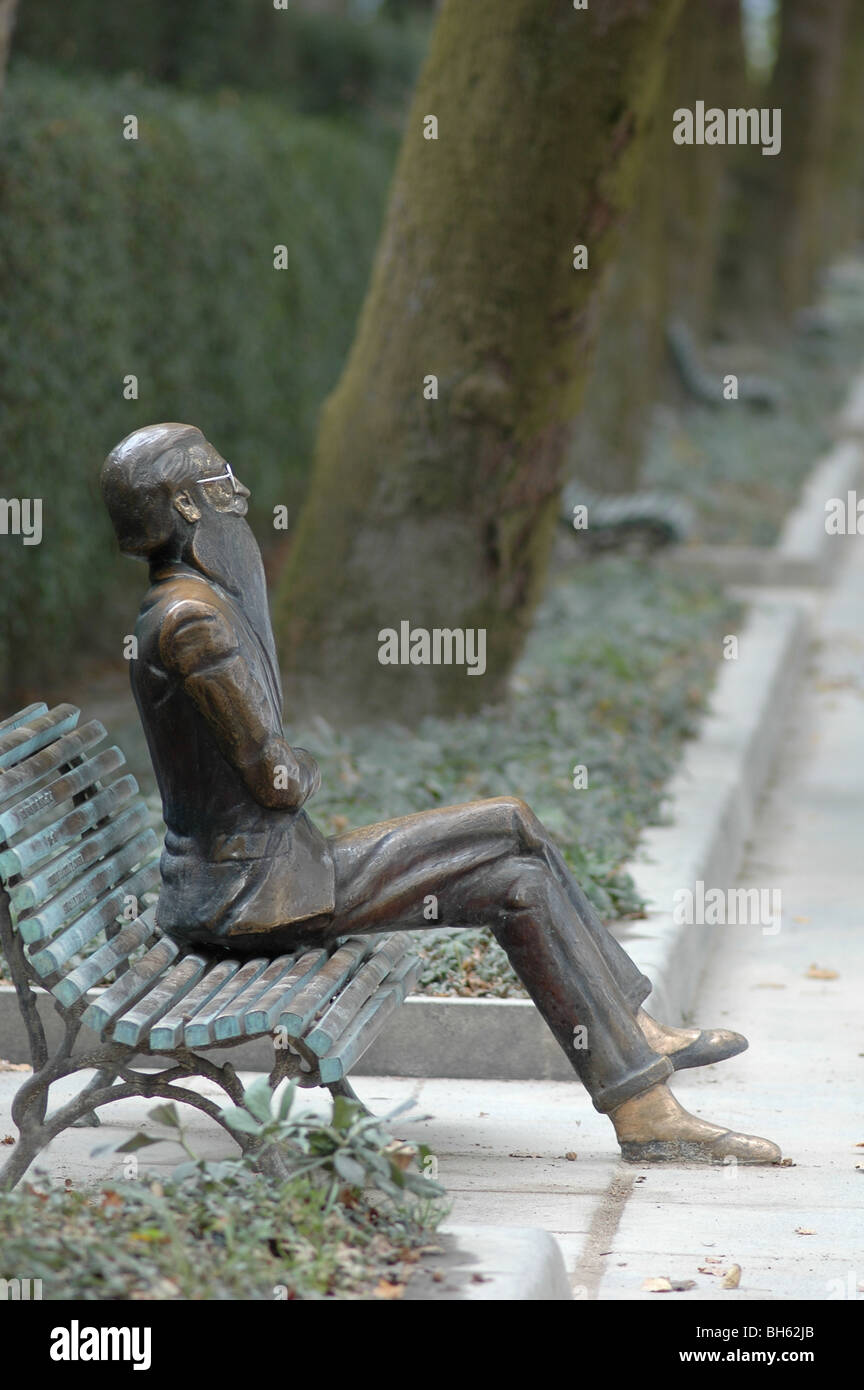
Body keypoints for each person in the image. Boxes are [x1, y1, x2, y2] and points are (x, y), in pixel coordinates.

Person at [101, 423, 782, 1165]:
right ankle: (637, 1058)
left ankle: (640, 1082)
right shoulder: (194, 620)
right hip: (253, 895)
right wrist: (304, 766)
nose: (241, 499)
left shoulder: (181, 606)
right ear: (186, 506)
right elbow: (279, 780)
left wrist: (292, 767)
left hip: (258, 878)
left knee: (518, 877)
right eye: (221, 485)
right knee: (512, 826)